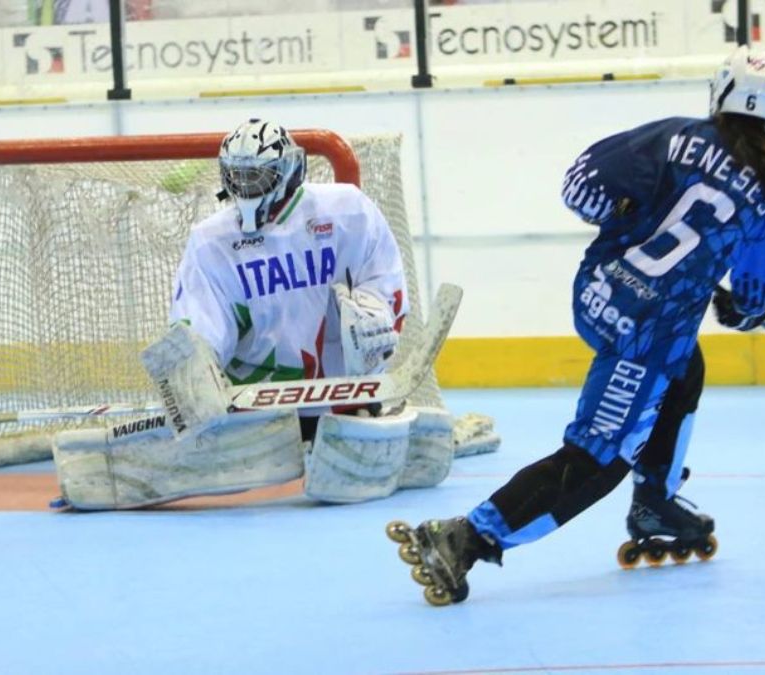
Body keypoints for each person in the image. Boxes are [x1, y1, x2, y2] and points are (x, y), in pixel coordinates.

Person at [387, 45, 765, 606]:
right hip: (645, 336)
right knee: (599, 457)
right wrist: (742, 306)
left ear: (719, 93)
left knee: (686, 368)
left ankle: (655, 497)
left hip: (597, 294)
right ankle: (467, 537)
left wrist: (629, 221)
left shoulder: (674, 135)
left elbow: (580, 186)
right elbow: (753, 296)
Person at [52, 118, 494, 509]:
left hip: (341, 389)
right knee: (190, 372)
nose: (245, 188)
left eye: (256, 176)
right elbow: (202, 316)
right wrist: (196, 365)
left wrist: (376, 319)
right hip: (257, 399)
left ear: (286, 173)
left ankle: (356, 417)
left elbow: (383, 277)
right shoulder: (211, 240)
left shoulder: (345, 210)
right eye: (236, 177)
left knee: (361, 329)